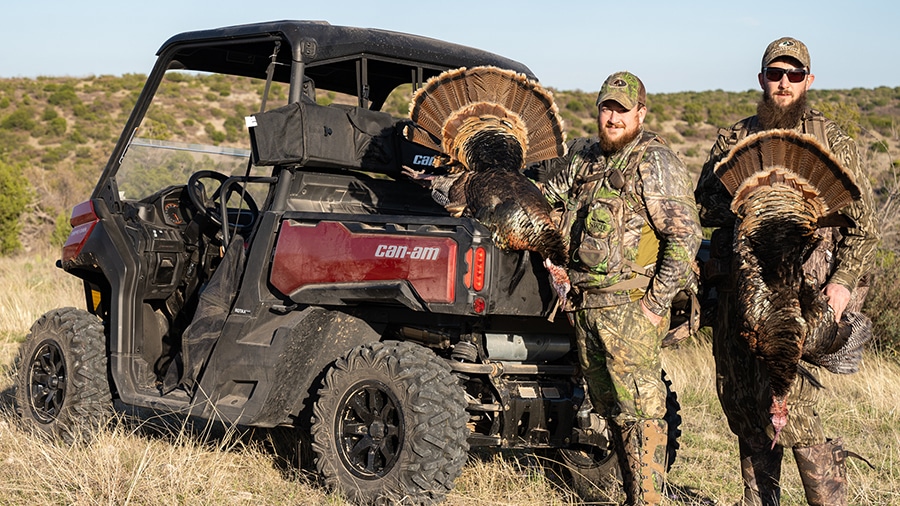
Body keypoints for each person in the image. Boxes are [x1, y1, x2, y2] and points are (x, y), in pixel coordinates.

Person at [695, 37, 880, 505]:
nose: (783, 82)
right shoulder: (735, 137)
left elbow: (865, 228)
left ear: (808, 81)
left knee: (797, 414)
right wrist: (750, 202)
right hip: (740, 300)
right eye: (775, 74)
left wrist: (841, 284)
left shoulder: (831, 139)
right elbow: (707, 206)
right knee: (745, 409)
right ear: (762, 79)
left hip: (802, 299)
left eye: (794, 75)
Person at [532, 71, 702, 505]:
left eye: (622, 110)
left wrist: (654, 304)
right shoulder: (585, 160)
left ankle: (648, 501)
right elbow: (543, 199)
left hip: (631, 306)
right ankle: (632, 496)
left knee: (642, 411)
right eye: (607, 108)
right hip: (588, 307)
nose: (612, 118)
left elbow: (685, 236)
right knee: (612, 410)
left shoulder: (654, 161)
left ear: (640, 113)